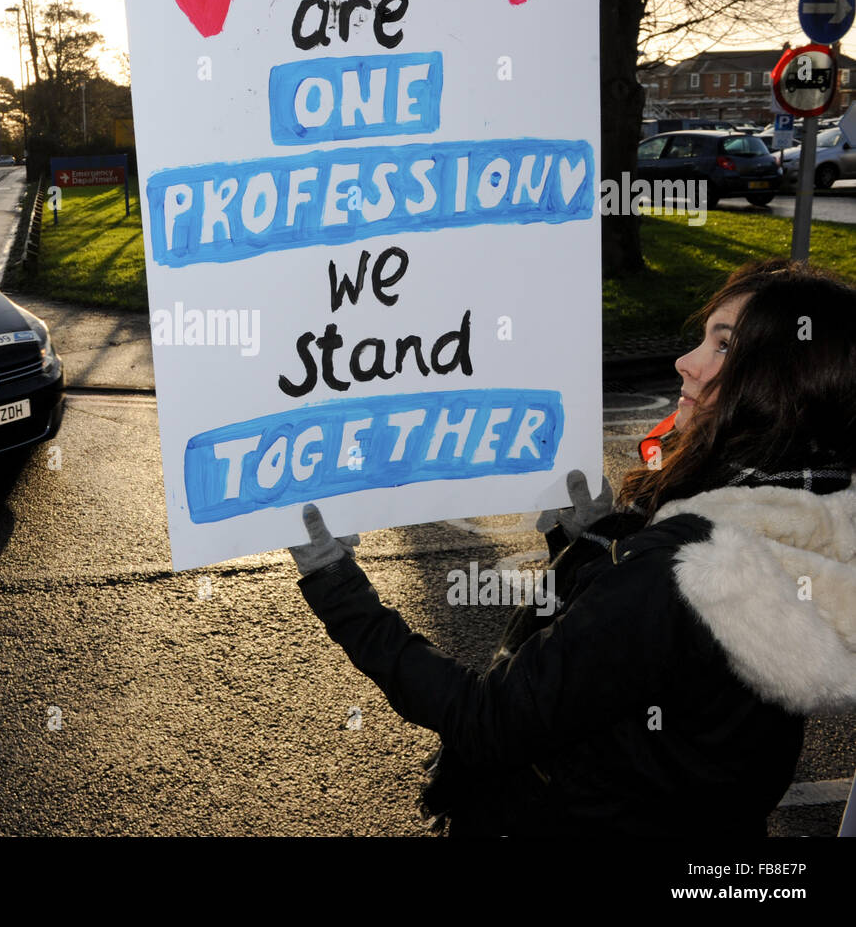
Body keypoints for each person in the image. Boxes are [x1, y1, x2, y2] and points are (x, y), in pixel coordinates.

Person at [290, 258, 856, 836]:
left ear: (784, 383)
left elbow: (488, 719)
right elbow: (650, 674)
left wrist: (339, 589)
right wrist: (591, 540)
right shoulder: (813, 523)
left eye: (725, 346)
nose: (686, 361)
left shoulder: (687, 570)